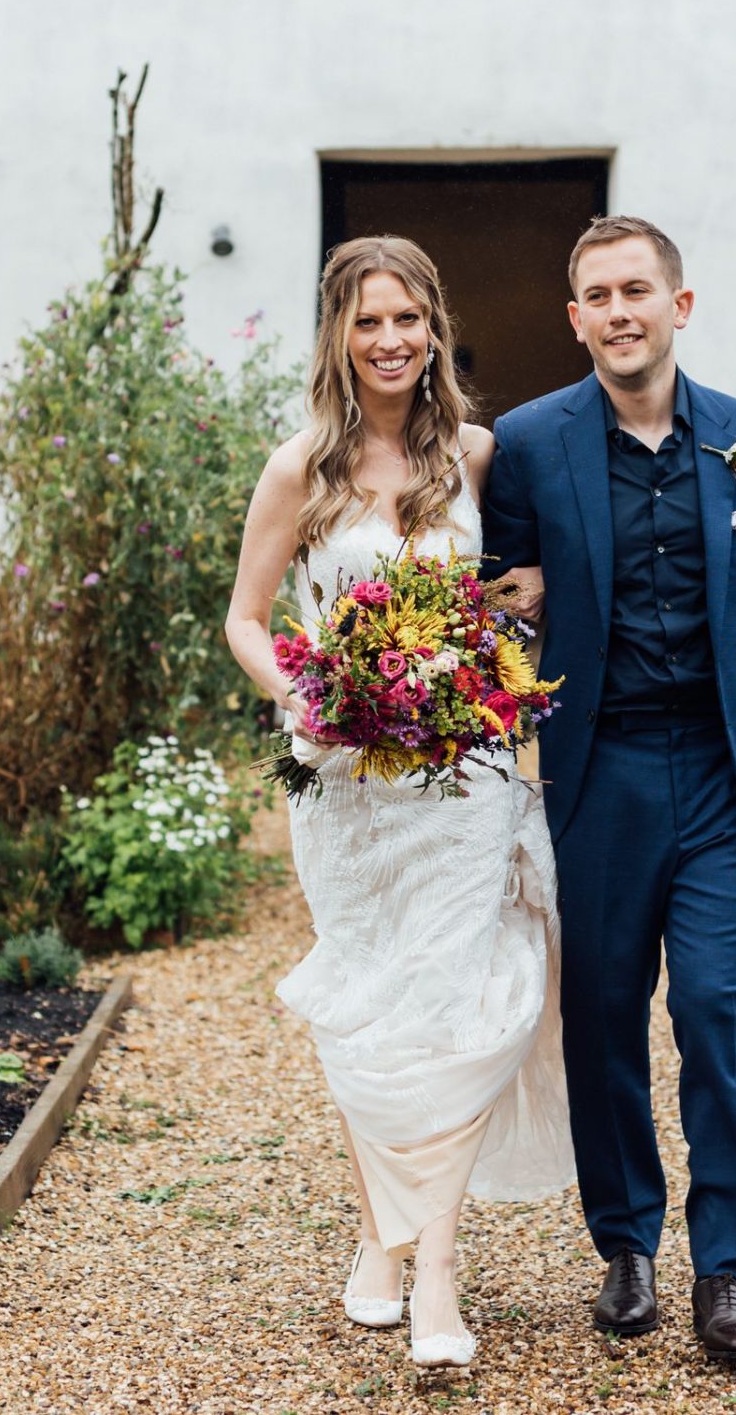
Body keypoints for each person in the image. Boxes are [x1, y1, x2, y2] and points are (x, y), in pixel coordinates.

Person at [478, 214, 736, 1364]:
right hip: (598, 776)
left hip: (720, 774)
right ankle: (626, 1248)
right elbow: (492, 598)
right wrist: (514, 595)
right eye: (595, 296)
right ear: (575, 319)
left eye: (636, 290)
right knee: (601, 1018)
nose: (618, 312)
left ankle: (725, 1268)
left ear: (676, 307)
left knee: (708, 1008)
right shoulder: (531, 445)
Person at [224, 235, 573, 1370]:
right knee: (373, 1007)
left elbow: (524, 583)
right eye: (367, 321)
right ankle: (381, 1232)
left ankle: (435, 1271)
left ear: (434, 328)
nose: (389, 341)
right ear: (337, 333)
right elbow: (245, 616)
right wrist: (306, 698)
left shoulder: (477, 454)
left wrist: (507, 620)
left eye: (408, 319)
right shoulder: (299, 470)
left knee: (461, 1002)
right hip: (344, 788)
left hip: (465, 777)